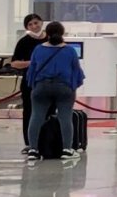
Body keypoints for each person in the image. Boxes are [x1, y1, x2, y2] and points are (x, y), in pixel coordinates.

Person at [22, 21, 82, 161]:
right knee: (65, 117)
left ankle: (33, 150)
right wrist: (73, 87)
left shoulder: (38, 49)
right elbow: (76, 71)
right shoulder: (69, 50)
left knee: (36, 116)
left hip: (41, 87)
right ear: (62, 33)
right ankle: (67, 149)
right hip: (64, 87)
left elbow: (32, 71)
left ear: (47, 34)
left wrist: (34, 87)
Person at [8, 13, 43, 132]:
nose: (34, 26)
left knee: (48, 110)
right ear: (27, 27)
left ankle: (47, 140)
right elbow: (14, 63)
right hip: (30, 81)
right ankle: (29, 142)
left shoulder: (51, 39)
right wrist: (31, 63)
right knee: (29, 110)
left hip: (48, 81)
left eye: (36, 23)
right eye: (30, 24)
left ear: (41, 22)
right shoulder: (24, 42)